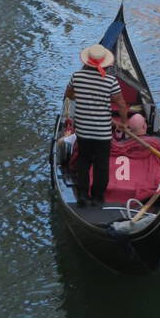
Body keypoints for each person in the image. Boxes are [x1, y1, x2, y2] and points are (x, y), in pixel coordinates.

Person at [64, 44, 129, 204]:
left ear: (87, 62)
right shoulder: (110, 80)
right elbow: (121, 104)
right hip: (102, 133)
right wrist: (124, 124)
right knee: (101, 165)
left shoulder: (76, 76)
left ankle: (83, 195)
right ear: (104, 62)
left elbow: (68, 94)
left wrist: (82, 98)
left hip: (84, 131)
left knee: (83, 161)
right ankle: (98, 196)